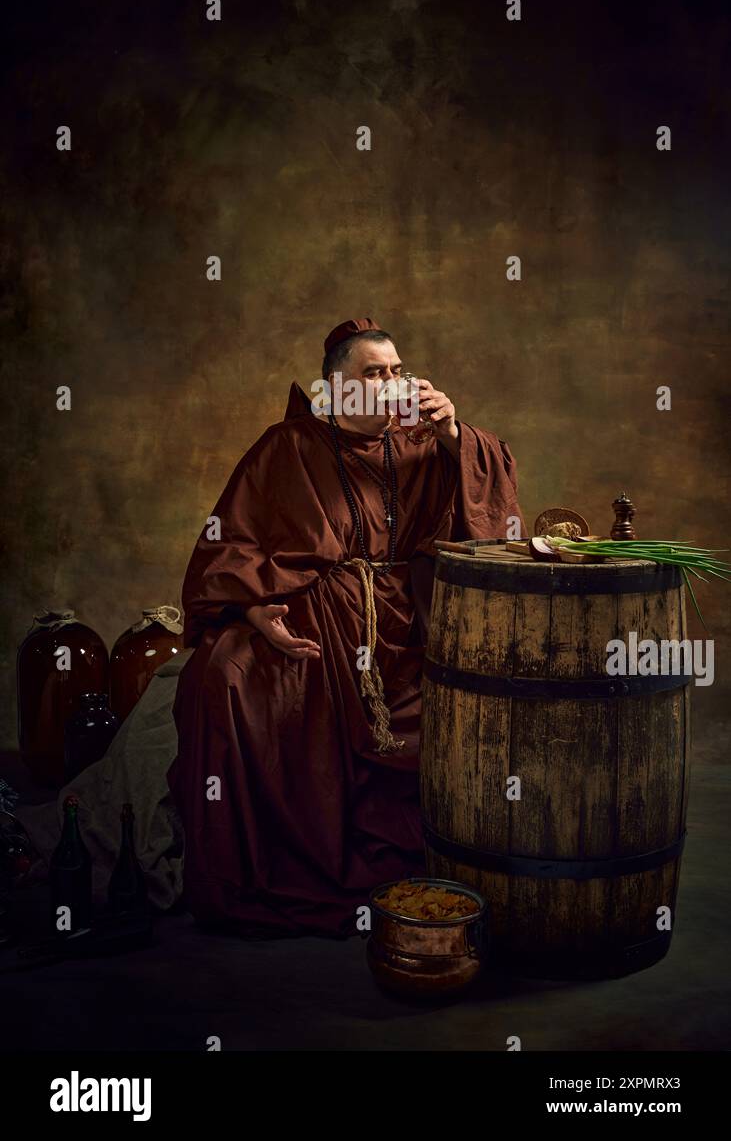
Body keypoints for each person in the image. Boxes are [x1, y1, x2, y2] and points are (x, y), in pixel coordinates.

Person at [167, 317, 525, 936]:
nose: (391, 382)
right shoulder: (287, 446)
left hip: (406, 620)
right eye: (373, 373)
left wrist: (451, 432)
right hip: (307, 615)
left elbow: (492, 503)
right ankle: (270, 860)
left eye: (396, 370)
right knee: (221, 676)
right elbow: (230, 543)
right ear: (336, 388)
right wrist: (254, 612)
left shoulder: (422, 443)